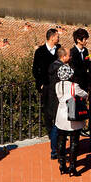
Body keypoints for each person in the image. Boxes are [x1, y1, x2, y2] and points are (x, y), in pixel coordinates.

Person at [52, 47, 87, 176]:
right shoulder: (74, 86)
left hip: (60, 114)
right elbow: (84, 94)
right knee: (74, 140)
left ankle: (62, 164)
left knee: (61, 140)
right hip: (72, 113)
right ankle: (72, 166)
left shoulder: (57, 85)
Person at [32, 28, 62, 160]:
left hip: (58, 86)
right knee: (48, 111)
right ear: (51, 38)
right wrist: (41, 84)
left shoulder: (59, 50)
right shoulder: (40, 52)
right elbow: (35, 70)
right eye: (57, 36)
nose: (59, 38)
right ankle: (51, 133)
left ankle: (58, 135)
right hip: (47, 87)